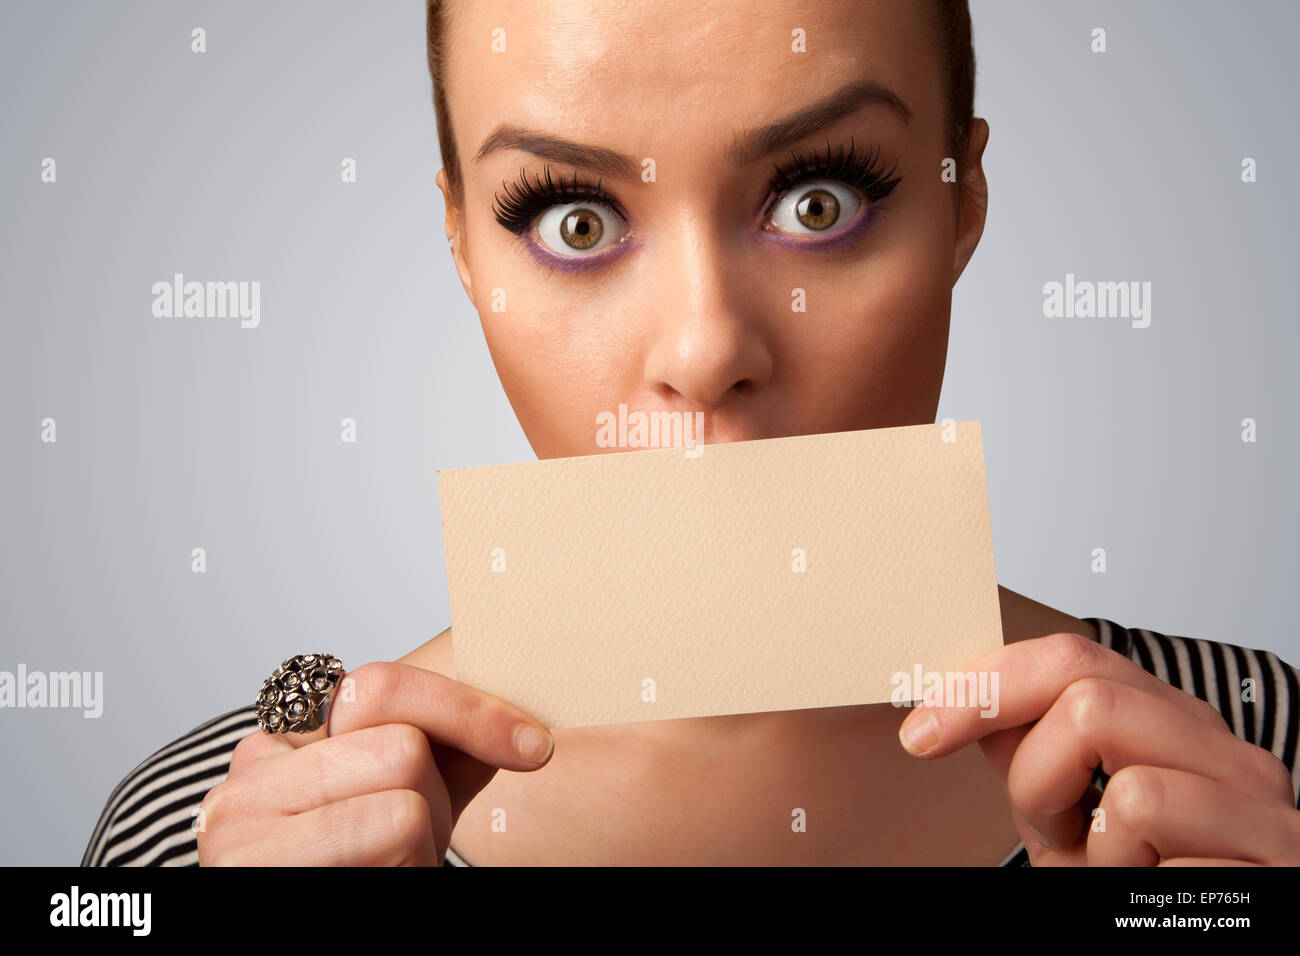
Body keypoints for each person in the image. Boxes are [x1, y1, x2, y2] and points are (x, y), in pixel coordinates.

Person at [83, 0, 1300, 867]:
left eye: (818, 198)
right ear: (460, 242)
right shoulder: (198, 835)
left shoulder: (1253, 749)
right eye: (570, 218)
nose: (705, 348)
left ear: (960, 200)